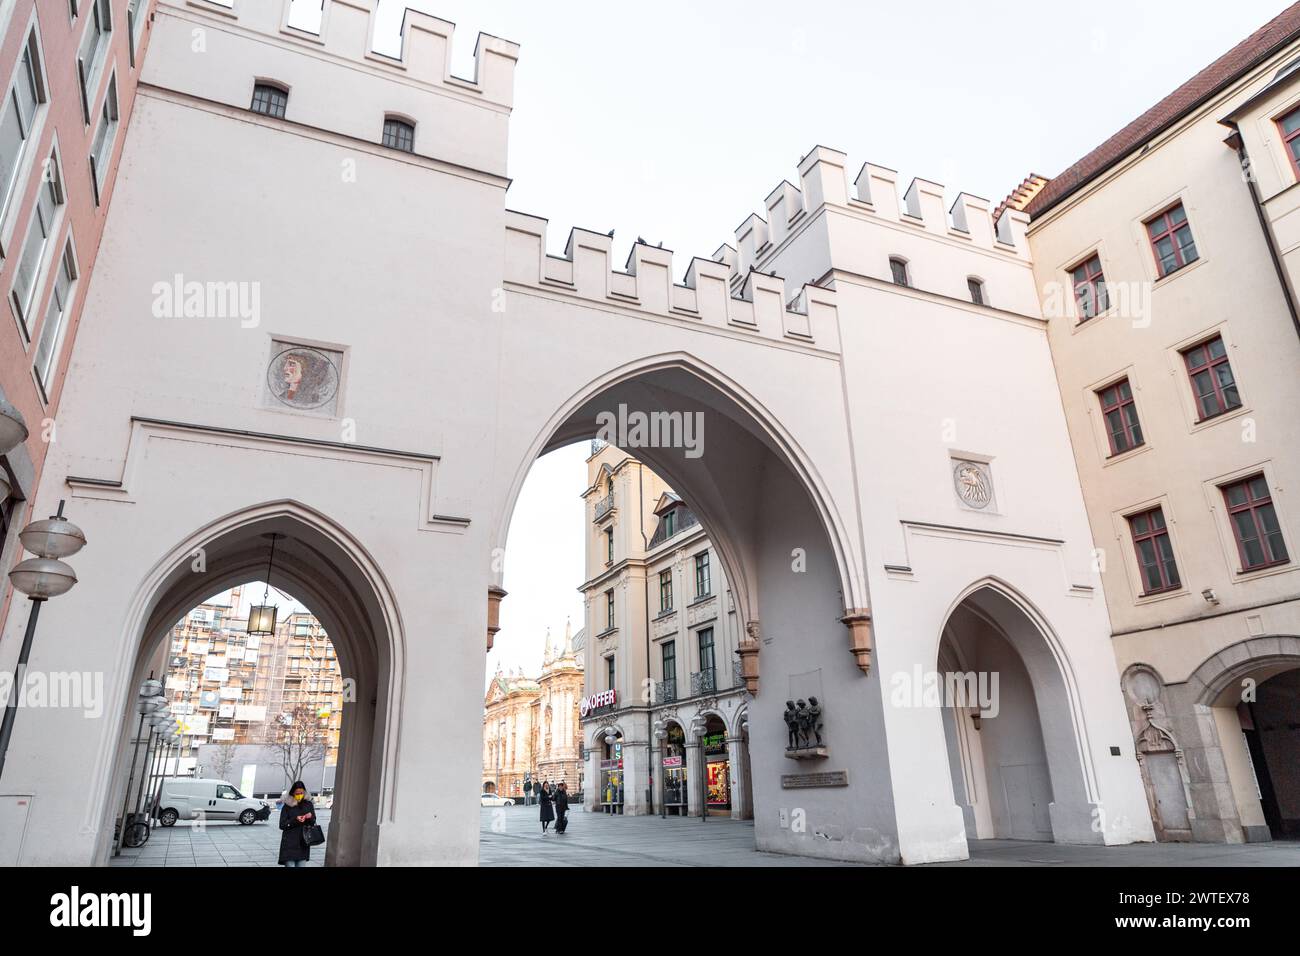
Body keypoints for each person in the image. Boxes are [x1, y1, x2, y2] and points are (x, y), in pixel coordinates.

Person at [278, 780, 316, 867]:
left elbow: (313, 821)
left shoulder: (308, 804)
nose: (299, 795)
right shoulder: (287, 806)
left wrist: (309, 817)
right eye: (297, 793)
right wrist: (295, 819)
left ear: (304, 792)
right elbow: (282, 825)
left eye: (301, 793)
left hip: (303, 842)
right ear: (292, 793)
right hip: (289, 843)